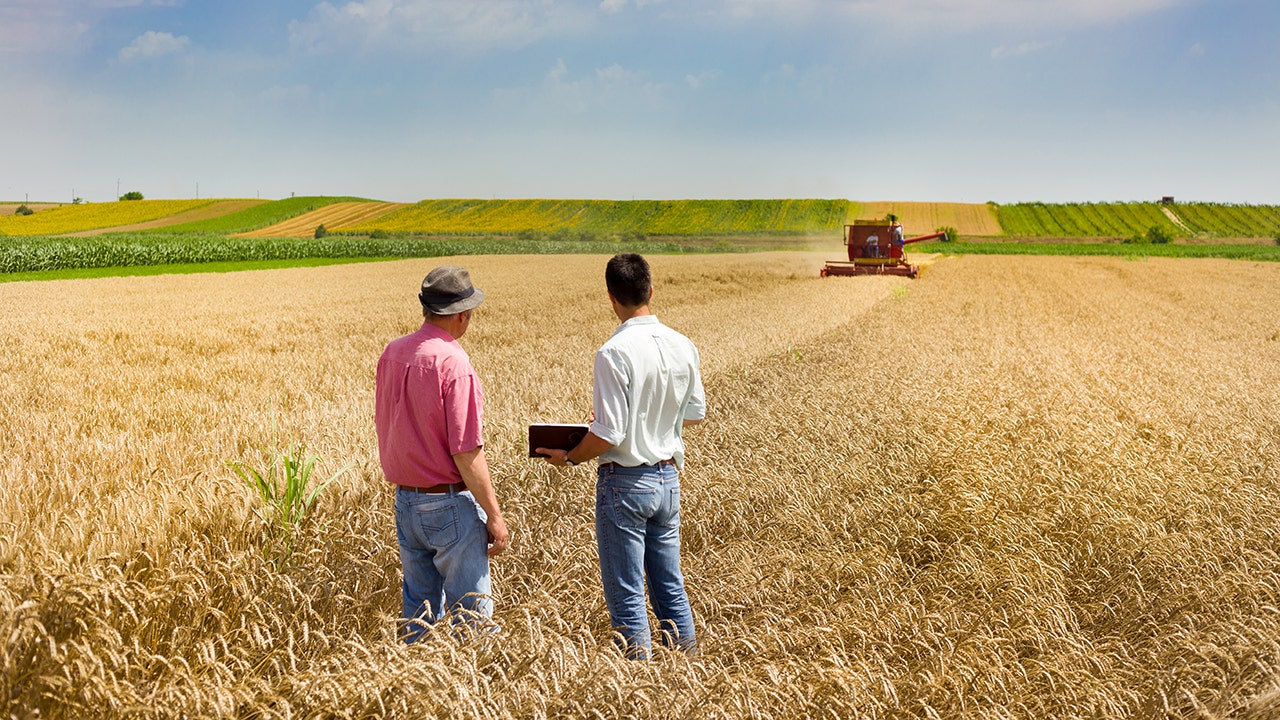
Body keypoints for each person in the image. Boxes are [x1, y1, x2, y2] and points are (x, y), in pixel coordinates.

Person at [538, 253, 706, 659]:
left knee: (627, 590)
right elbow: (696, 413)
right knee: (670, 584)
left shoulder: (613, 352)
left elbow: (609, 434)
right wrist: (653, 422)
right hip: (668, 480)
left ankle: (639, 688)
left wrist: (572, 456)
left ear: (611, 298)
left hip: (626, 485)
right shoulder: (683, 344)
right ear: (650, 290)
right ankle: (690, 670)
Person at [375, 265, 510, 643]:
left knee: (417, 615)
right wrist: (495, 516)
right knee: (472, 619)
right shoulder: (453, 363)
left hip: (405, 502)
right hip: (448, 505)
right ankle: (470, 693)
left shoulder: (392, 353)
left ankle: (416, 694)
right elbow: (467, 451)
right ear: (463, 315)